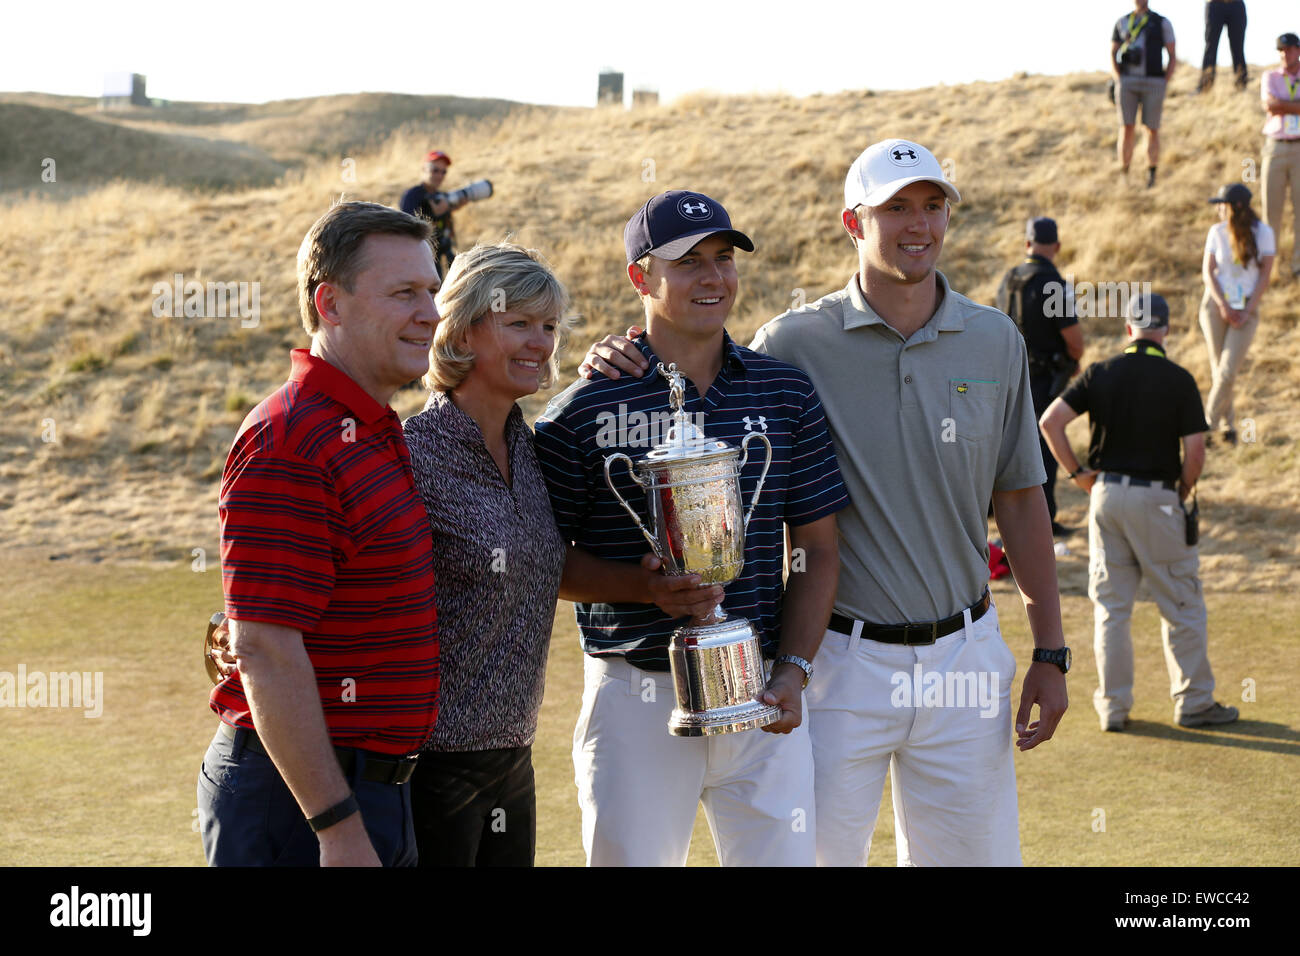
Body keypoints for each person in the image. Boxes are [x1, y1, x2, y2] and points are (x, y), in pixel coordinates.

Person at [580, 142, 1070, 867]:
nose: (919, 225)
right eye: (896, 207)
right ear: (853, 222)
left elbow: (1023, 502)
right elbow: (698, 353)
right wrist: (618, 357)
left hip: (968, 653)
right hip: (840, 660)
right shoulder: (795, 343)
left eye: (933, 206)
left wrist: (1051, 652)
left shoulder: (995, 338)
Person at [534, 190, 848, 867]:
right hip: (636, 695)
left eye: (724, 259)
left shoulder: (785, 393)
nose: (713, 278)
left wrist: (794, 670)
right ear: (641, 278)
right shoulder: (581, 410)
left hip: (762, 688)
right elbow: (543, 562)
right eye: (688, 263)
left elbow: (819, 551)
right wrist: (644, 589)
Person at [197, 201, 442, 866]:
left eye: (431, 291)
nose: (430, 313)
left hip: (370, 792)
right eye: (404, 293)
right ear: (330, 304)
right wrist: (336, 825)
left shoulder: (371, 425)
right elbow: (267, 650)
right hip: (305, 804)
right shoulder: (293, 440)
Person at [401, 242, 570, 866]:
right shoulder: (412, 454)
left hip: (514, 758)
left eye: (548, 326)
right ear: (465, 329)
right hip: (430, 767)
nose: (540, 342)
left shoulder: (532, 450)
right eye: (519, 323)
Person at [1039, 293, 1239, 731]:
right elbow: (1196, 452)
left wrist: (1079, 476)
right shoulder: (1179, 378)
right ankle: (1194, 701)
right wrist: (1181, 491)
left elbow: (1050, 421)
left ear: (1129, 329)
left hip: (1106, 496)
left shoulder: (1100, 372)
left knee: (1112, 608)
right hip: (1157, 497)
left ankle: (1113, 708)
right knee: (1181, 603)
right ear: (1164, 331)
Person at [995, 216, 1085, 536]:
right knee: (1042, 448)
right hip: (1044, 379)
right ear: (1057, 246)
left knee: (1001, 443)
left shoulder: (1009, 278)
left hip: (1005, 373)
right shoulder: (1054, 285)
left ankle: (995, 508)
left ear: (1027, 244)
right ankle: (1043, 518)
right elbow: (1075, 341)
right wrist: (1072, 361)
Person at [1199, 183, 1275, 446]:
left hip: (1246, 308)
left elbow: (1265, 275)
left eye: (1223, 204)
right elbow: (1208, 272)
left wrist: (1247, 309)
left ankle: (1206, 424)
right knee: (1218, 367)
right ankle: (1227, 425)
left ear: (1235, 208)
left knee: (1227, 371)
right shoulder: (1216, 232)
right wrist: (1223, 305)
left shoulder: (1263, 233)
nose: (1219, 208)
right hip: (1216, 306)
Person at [1111, 0, 1177, 188]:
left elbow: (1172, 54)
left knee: (1152, 129)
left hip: (1154, 81)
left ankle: (1152, 175)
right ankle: (1124, 174)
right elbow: (1112, 51)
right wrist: (1118, 78)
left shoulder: (1161, 22)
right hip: (1127, 81)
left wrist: (1165, 81)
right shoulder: (1122, 22)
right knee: (1126, 127)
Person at [1261, 32, 1300, 281]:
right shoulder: (1270, 76)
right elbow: (1270, 106)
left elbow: (1278, 106)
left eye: (1290, 49)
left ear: (1298, 50)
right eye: (1281, 50)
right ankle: (1268, 267)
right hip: (1275, 147)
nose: (1286, 54)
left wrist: (1283, 105)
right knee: (1270, 210)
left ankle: (1298, 265)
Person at [400, 149, 468, 277]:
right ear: (424, 169)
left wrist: (450, 209)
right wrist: (433, 214)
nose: (440, 175)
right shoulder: (413, 194)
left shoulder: (440, 195)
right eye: (435, 170)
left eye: (443, 172)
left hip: (443, 249)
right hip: (422, 253)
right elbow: (408, 225)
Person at [1197, 0, 1248, 94]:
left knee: (1238, 48)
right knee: (1210, 48)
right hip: (1214, 4)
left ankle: (1241, 86)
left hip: (1236, 4)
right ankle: (1205, 87)